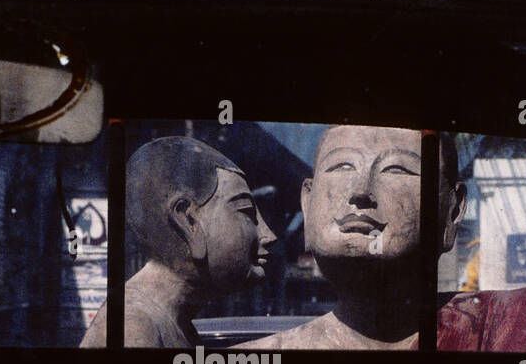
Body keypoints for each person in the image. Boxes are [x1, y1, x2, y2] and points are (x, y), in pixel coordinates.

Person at [237, 125, 465, 350]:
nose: (361, 192)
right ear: (307, 203)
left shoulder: (492, 330)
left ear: (452, 211)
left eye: (396, 169)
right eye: (342, 166)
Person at [80, 136, 276, 348]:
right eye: (246, 211)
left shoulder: (173, 323)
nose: (269, 235)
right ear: (187, 220)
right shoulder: (134, 325)